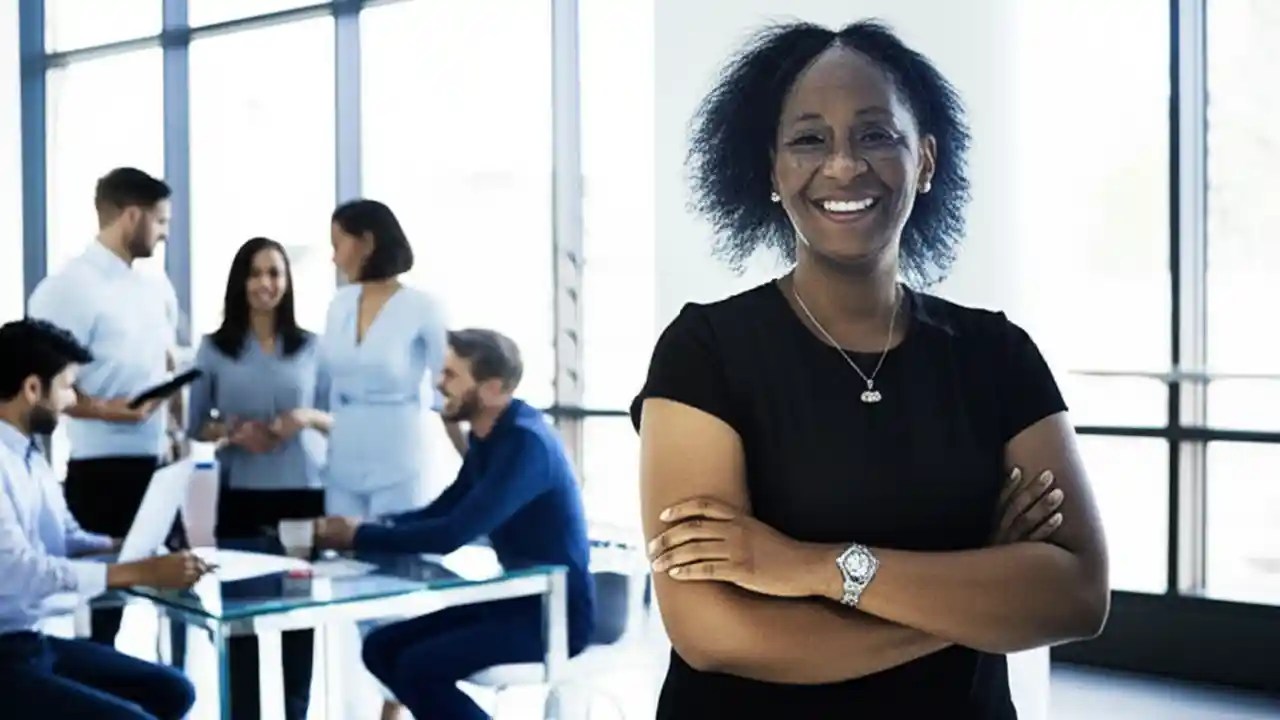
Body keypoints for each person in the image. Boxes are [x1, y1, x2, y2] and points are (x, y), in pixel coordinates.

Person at [635, 20, 1110, 718]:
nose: (843, 165)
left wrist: (810, 567)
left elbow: (1077, 596)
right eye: (808, 140)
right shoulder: (704, 350)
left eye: (875, 135)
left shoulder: (997, 355)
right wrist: (976, 597)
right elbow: (712, 633)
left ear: (923, 159)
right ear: (770, 168)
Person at [314, 329, 595, 720]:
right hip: (511, 603)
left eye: (451, 375)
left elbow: (453, 533)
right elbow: (442, 510)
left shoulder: (525, 444)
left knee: (418, 667)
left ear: (492, 389)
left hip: (552, 617)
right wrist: (367, 528)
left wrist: (360, 534)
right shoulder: (491, 436)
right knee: (380, 648)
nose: (438, 383)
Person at [0, 318, 207, 720]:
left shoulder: (29, 455)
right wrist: (135, 572)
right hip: (4, 657)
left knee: (172, 691)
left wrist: (124, 547)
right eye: (65, 386)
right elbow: (18, 572)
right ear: (31, 389)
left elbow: (67, 537)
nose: (71, 400)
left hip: (31, 643)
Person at [27, 167, 183, 648]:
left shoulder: (157, 289)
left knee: (181, 592)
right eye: (159, 222)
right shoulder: (68, 287)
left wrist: (175, 432)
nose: (163, 234)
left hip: (156, 467)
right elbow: (39, 388)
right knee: (101, 622)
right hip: (100, 472)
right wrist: (107, 411)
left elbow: (166, 364)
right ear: (130, 216)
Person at [187, 237, 333, 720]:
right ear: (239, 282)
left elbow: (336, 418)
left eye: (274, 273)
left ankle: (297, 712)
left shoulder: (313, 348)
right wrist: (231, 430)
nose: (265, 284)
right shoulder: (214, 349)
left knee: (298, 617)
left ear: (287, 282)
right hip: (241, 496)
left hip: (301, 495)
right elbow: (194, 425)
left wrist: (303, 417)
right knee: (242, 619)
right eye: (255, 273)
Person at [321, 198, 462, 519]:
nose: (334, 257)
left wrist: (472, 462)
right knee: (344, 557)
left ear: (367, 243)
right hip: (344, 456)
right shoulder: (338, 305)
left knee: (398, 556)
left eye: (338, 244)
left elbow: (449, 390)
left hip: (400, 457)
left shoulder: (423, 307)